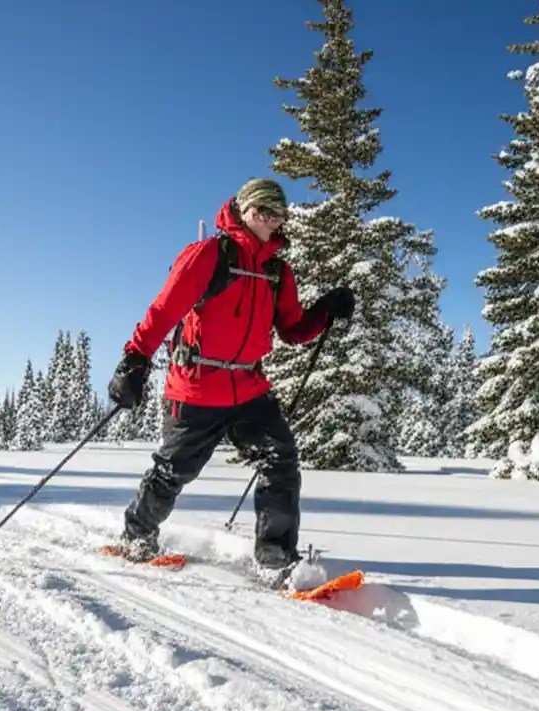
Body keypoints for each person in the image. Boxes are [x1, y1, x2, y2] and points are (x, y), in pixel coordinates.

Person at [107, 178, 355, 580]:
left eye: (276, 213)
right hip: (197, 386)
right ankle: (137, 534)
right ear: (243, 210)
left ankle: (275, 558)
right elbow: (164, 311)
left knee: (281, 460)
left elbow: (293, 330)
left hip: (249, 389)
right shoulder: (208, 255)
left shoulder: (277, 271)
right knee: (175, 470)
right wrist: (135, 359)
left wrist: (325, 311)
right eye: (261, 210)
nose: (268, 219)